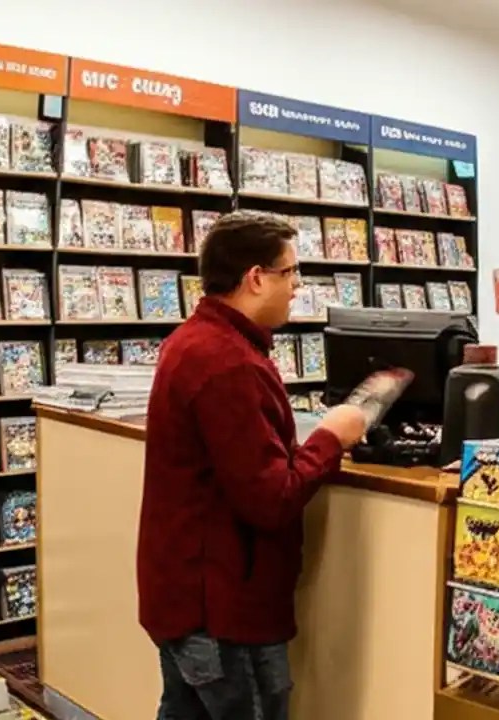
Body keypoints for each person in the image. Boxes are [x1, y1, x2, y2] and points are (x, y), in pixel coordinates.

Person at [137, 212, 368, 719]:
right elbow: (270, 497)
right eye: (290, 273)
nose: (297, 286)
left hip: (188, 599)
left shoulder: (197, 342)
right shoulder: (227, 363)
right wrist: (331, 437)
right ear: (256, 277)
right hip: (222, 610)